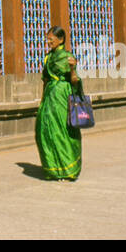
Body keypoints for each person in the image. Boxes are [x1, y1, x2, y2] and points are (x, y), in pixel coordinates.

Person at [36, 25, 82, 181]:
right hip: (49, 98)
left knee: (63, 132)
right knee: (46, 132)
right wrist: (43, 99)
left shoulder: (67, 56)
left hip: (62, 97)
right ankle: (53, 169)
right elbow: (45, 79)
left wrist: (73, 68)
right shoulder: (48, 58)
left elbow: (75, 80)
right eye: (47, 39)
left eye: (51, 39)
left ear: (61, 39)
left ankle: (68, 170)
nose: (48, 42)